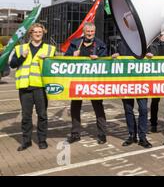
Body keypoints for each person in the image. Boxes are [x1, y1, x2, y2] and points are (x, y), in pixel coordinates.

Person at [9, 23, 56, 151]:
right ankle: (26, 141)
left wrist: (47, 60)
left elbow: (55, 67)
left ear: (43, 33)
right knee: (26, 117)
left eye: (40, 32)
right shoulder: (20, 48)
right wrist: (22, 57)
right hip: (25, 87)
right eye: (35, 32)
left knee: (42, 115)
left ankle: (42, 140)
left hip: (41, 87)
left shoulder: (50, 49)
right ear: (30, 33)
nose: (37, 34)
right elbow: (12, 64)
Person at [65, 22, 108, 144]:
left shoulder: (100, 44)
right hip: (78, 80)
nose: (90, 34)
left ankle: (102, 134)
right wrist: (71, 55)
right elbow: (64, 58)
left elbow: (106, 62)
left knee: (98, 107)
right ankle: (75, 134)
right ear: (84, 32)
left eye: (92, 31)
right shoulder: (75, 43)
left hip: (94, 81)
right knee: (75, 107)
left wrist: (99, 59)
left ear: (94, 32)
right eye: (88, 31)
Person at [112, 40, 152, 148]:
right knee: (128, 109)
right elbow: (115, 62)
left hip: (141, 82)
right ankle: (132, 135)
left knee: (143, 109)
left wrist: (151, 55)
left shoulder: (144, 43)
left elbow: (154, 58)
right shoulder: (120, 44)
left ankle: (142, 137)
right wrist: (115, 57)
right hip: (126, 83)